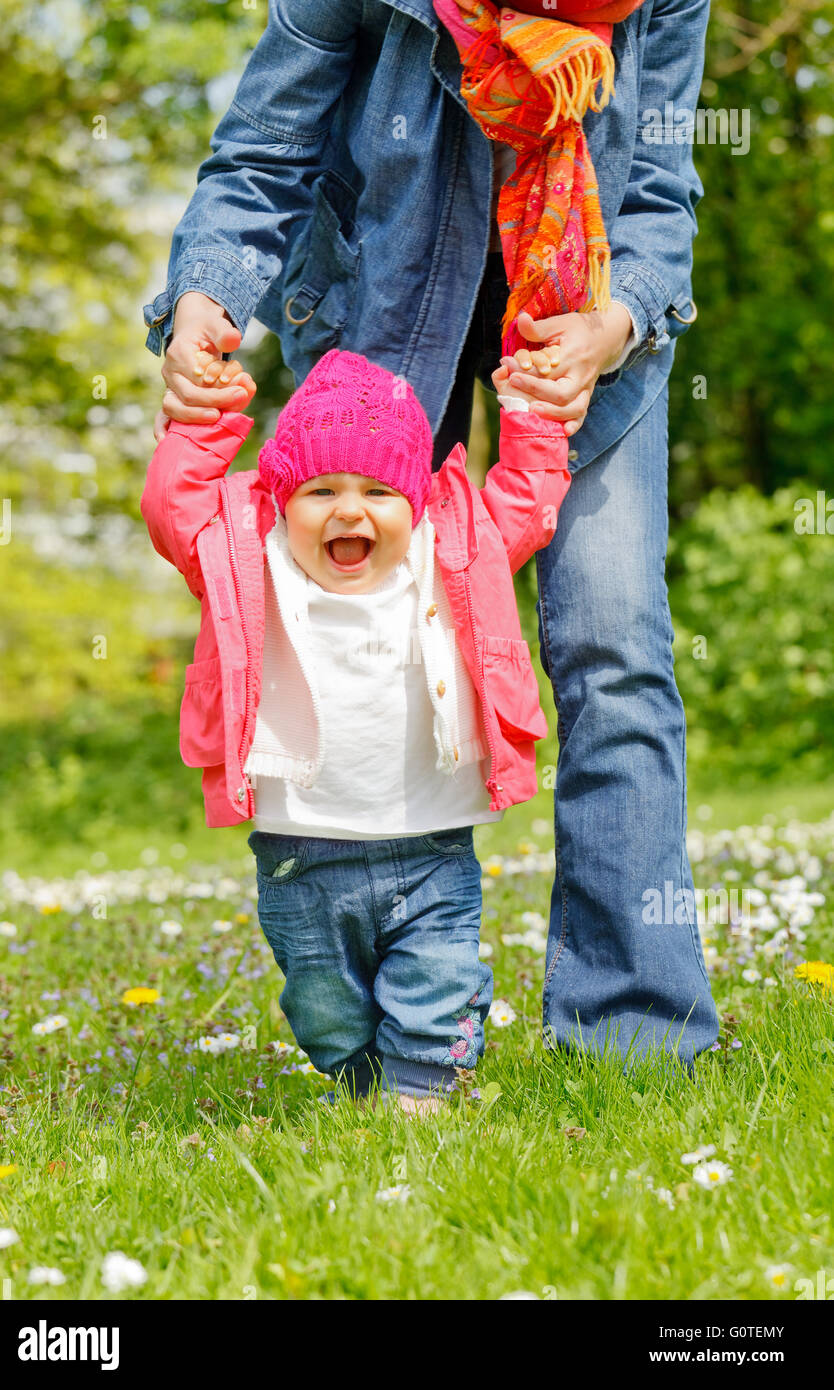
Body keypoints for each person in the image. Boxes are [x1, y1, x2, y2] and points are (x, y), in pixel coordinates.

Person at [143, 0, 718, 1069]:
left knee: (614, 645)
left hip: (580, 327)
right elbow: (265, 152)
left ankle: (634, 1036)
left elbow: (657, 187)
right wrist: (200, 300)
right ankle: (373, 1024)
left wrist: (618, 319)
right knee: (330, 636)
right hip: (380, 302)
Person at [140, 347, 572, 1114]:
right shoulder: (251, 561)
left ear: (415, 505)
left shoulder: (453, 553)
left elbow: (529, 502)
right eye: (320, 490)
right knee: (322, 1006)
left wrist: (533, 420)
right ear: (280, 501)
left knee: (437, 976)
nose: (349, 511)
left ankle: (423, 1090)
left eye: (378, 489)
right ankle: (360, 1081)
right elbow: (175, 509)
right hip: (299, 848)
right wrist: (202, 421)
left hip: (432, 839)